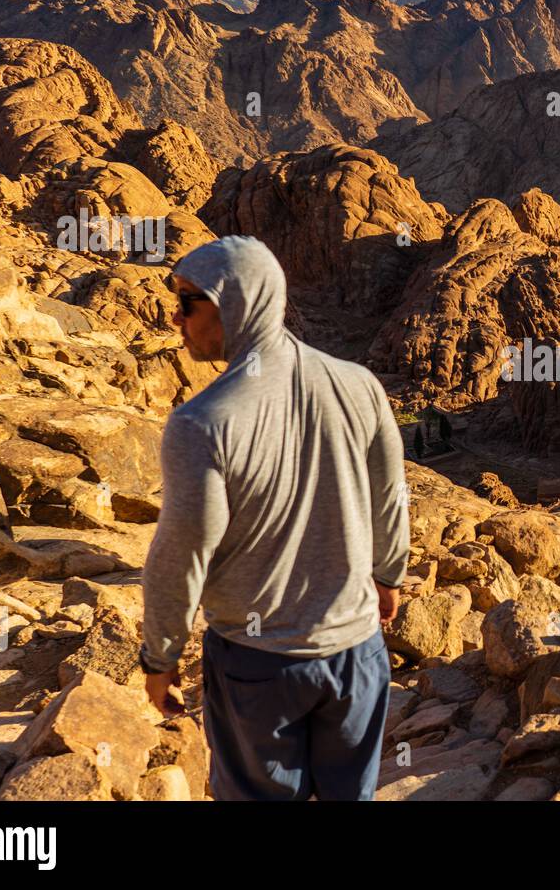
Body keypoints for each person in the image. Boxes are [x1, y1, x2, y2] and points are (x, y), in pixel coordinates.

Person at [138, 235, 409, 801]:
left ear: (235, 303)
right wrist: (388, 575)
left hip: (258, 665)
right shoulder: (360, 384)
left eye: (189, 302)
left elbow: (183, 551)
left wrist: (160, 656)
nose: (175, 317)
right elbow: (390, 494)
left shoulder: (202, 424)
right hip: (357, 654)